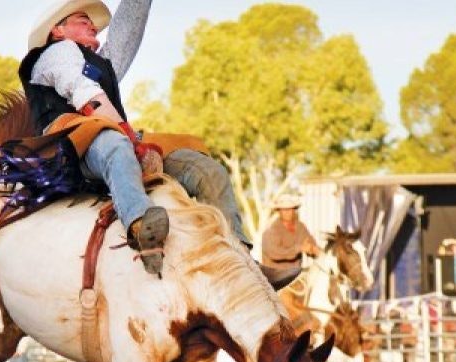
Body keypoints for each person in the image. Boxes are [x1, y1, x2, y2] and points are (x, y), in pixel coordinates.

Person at [19, 1, 294, 287]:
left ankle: (243, 261)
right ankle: (142, 224)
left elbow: (127, 32)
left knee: (207, 170)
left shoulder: (99, 64)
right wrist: (132, 140)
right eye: (82, 19)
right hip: (69, 145)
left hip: (115, 139)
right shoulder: (57, 52)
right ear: (58, 30)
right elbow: (83, 93)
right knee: (115, 143)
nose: (92, 25)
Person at [261, 194, 321, 273]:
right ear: (279, 211)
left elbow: (310, 245)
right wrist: (299, 248)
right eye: (284, 209)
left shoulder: (300, 227)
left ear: (294, 210)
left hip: (296, 274)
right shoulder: (271, 230)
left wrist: (313, 250)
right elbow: (274, 253)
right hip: (275, 276)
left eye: (290, 209)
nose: (287, 212)